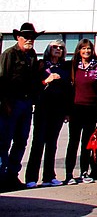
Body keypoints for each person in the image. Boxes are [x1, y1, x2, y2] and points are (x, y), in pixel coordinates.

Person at [0, 23, 42, 191]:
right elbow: (2, 79)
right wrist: (5, 103)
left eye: (32, 38)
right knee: (4, 141)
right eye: (26, 37)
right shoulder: (9, 54)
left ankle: (12, 176)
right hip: (11, 104)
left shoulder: (32, 55)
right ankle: (1, 177)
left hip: (26, 104)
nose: (29, 40)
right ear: (18, 38)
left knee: (21, 141)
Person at [24, 38, 70, 188]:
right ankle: (31, 177)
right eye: (55, 47)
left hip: (58, 109)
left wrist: (67, 111)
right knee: (38, 142)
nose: (58, 49)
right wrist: (46, 80)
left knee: (52, 143)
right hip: (43, 108)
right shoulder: (41, 66)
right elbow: (33, 86)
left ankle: (49, 176)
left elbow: (68, 90)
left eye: (61, 48)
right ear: (48, 49)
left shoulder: (64, 67)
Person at [64, 39, 97, 184]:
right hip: (76, 107)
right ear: (79, 50)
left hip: (92, 108)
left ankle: (84, 171)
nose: (86, 51)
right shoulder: (73, 65)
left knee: (87, 142)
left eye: (88, 48)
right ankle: (69, 174)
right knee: (73, 141)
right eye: (83, 49)